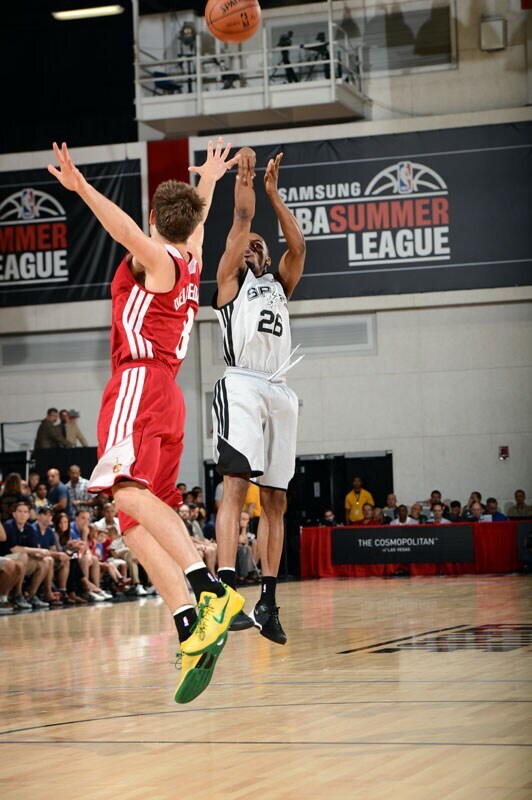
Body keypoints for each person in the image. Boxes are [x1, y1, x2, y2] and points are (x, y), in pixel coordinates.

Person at [48, 138, 243, 703]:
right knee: (133, 525)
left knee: (122, 494)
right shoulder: (192, 259)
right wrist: (209, 181)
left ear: (155, 218)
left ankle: (208, 587)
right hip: (170, 398)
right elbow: (198, 221)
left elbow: (124, 232)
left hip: (138, 381)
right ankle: (189, 626)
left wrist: (81, 186)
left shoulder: (156, 259)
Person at [212, 148, 305, 645]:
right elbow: (242, 218)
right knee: (234, 487)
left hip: (280, 389)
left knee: (276, 501)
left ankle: (268, 600)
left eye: (258, 245)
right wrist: (248, 190)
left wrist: (275, 196)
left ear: (266, 257)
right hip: (243, 383)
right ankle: (227, 591)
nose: (251, 245)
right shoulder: (230, 283)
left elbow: (299, 247)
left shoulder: (280, 284)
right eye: (244, 244)